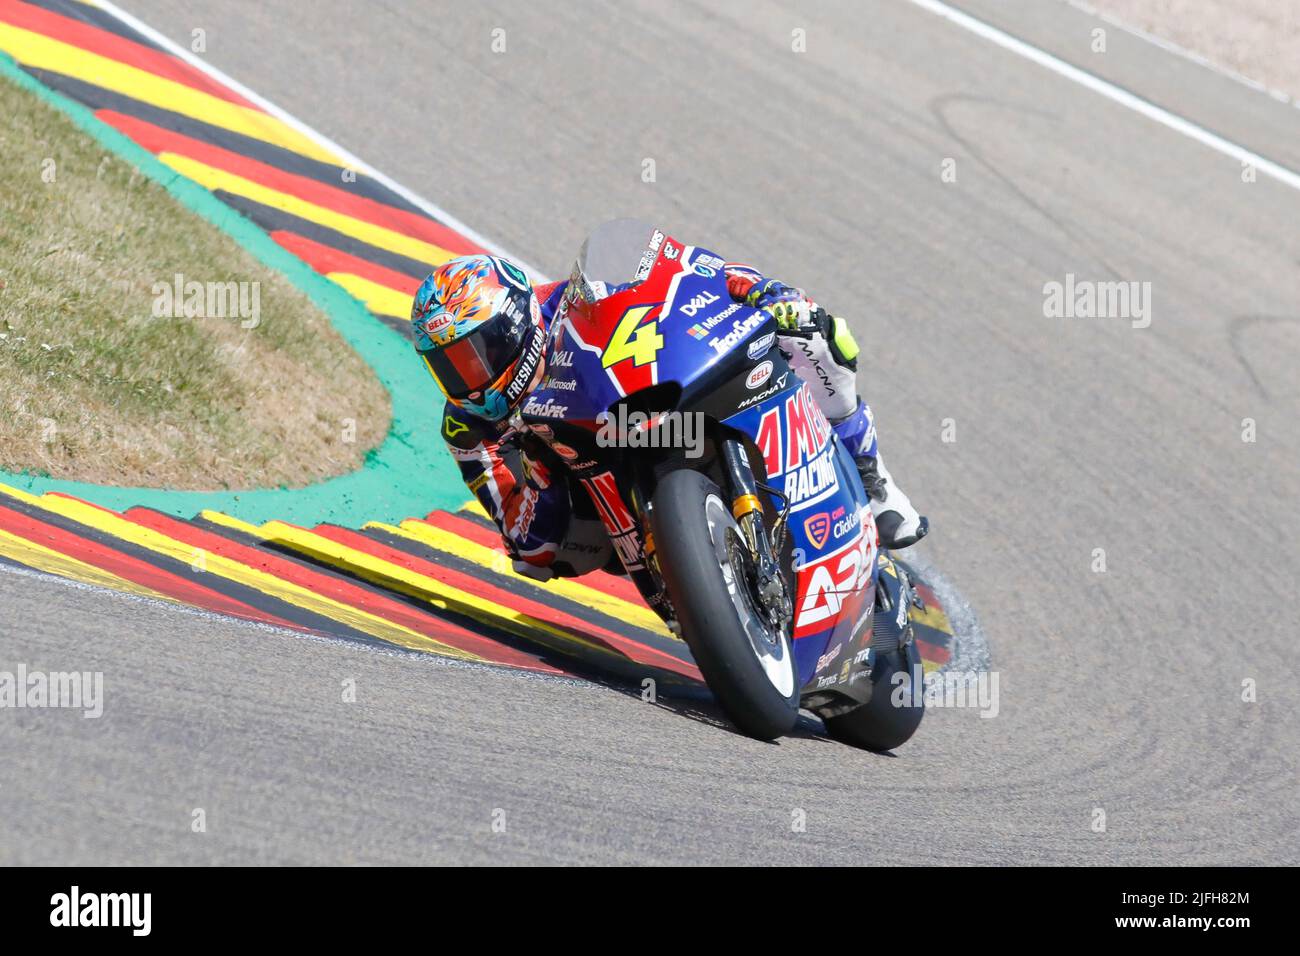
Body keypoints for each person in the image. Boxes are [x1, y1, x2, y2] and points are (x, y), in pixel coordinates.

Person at [410, 246, 928, 581]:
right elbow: (522, 535)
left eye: (477, 353)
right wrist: (541, 467)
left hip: (643, 404)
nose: (469, 376)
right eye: (450, 366)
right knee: (545, 557)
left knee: (824, 336)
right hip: (588, 486)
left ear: (513, 323)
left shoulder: (564, 299)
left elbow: (685, 270)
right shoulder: (466, 425)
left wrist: (762, 292)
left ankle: (870, 473)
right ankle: (674, 574)